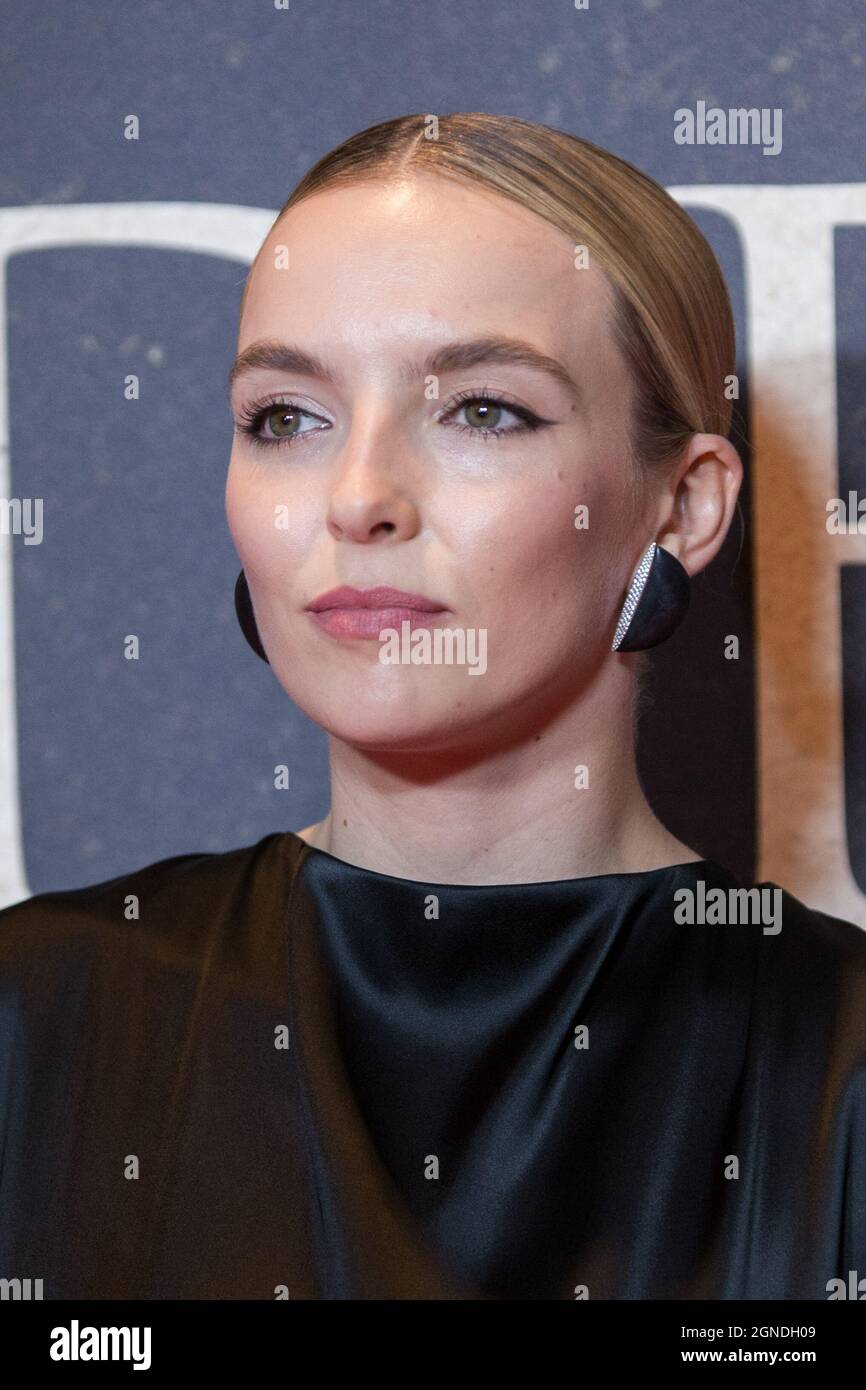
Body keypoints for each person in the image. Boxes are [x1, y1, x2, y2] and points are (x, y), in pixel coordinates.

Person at [0, 112, 864, 1300]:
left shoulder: (841, 1072)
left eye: (481, 410)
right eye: (285, 419)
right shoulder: (40, 1021)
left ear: (679, 507)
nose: (356, 499)